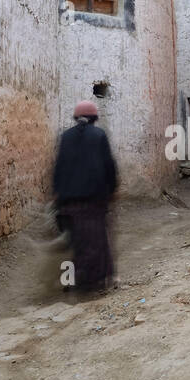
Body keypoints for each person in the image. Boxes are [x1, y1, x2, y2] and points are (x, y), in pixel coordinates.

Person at [52, 100, 119, 293]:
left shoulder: (65, 137)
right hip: (93, 201)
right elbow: (109, 167)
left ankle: (71, 279)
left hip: (67, 202)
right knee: (95, 242)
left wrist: (56, 194)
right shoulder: (99, 136)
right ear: (94, 118)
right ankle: (91, 282)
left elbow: (58, 167)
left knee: (74, 242)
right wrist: (112, 190)